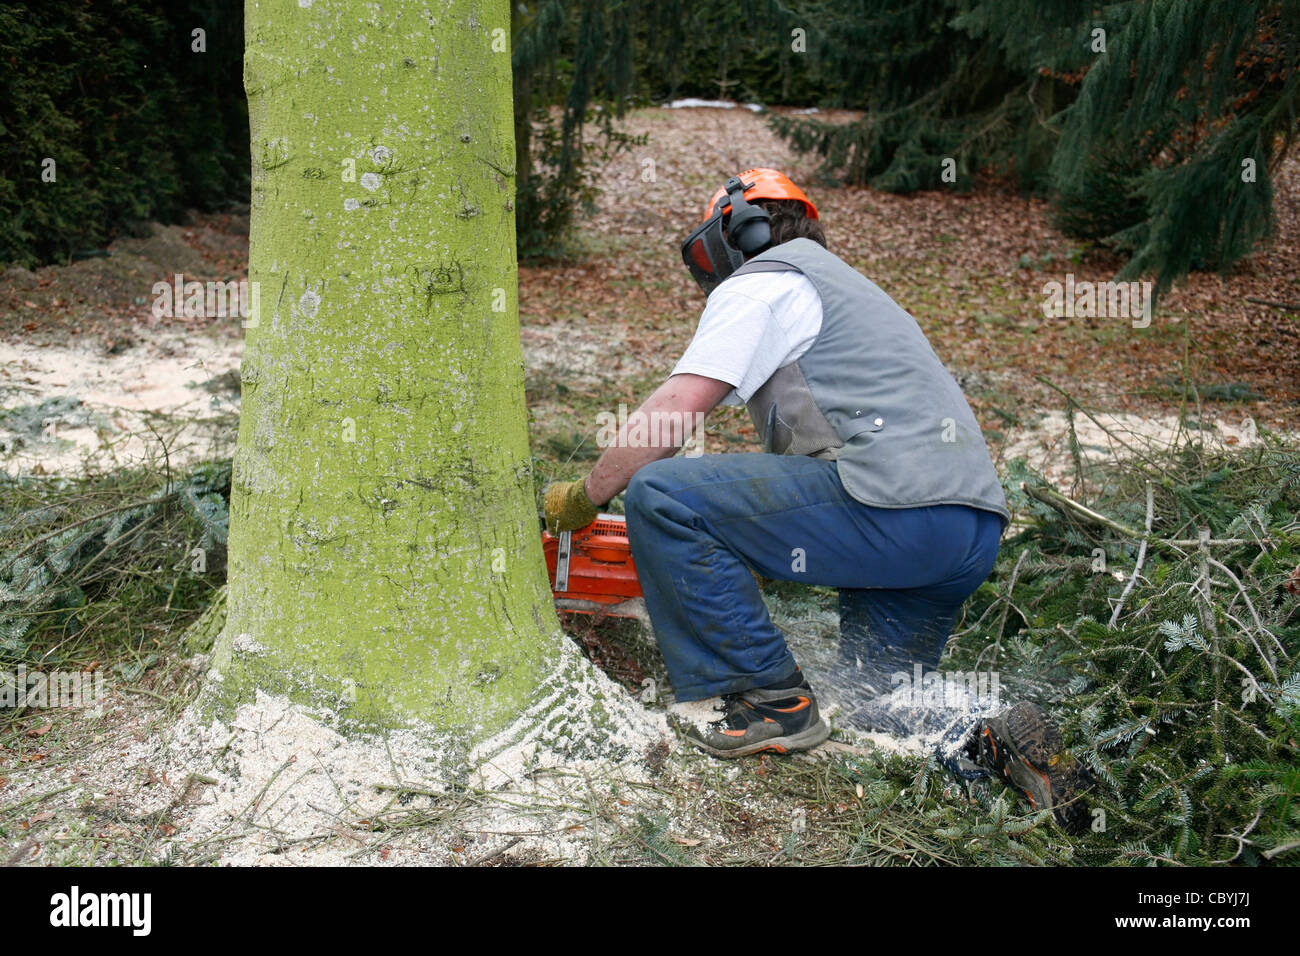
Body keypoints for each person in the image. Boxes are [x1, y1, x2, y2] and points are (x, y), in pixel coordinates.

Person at [544, 169, 1093, 831]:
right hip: (965, 530)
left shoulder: (763, 282)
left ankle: (771, 702)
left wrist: (587, 494)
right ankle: (1000, 735)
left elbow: (676, 409)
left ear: (737, 233)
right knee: (879, 700)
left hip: (890, 509)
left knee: (665, 495)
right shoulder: (852, 293)